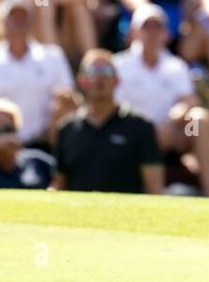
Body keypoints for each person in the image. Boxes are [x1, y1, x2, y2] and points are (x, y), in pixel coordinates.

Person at [112, 4, 209, 198]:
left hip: (169, 135)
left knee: (199, 119)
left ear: (165, 33)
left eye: (157, 27)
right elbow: (114, 108)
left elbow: (189, 100)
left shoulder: (176, 66)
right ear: (134, 32)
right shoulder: (119, 64)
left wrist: (172, 118)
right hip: (131, 136)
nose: (152, 33)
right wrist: (145, 129)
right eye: (146, 27)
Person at [52, 49, 164, 194]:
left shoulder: (141, 127)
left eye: (107, 71)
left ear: (117, 80)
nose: (100, 77)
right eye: (93, 71)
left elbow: (154, 190)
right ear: (81, 81)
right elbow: (58, 184)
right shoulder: (66, 129)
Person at [0, 0, 75, 149]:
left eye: (23, 17)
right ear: (4, 22)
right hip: (2, 145)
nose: (19, 22)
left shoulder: (54, 57)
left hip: (46, 142)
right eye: (14, 17)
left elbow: (67, 100)